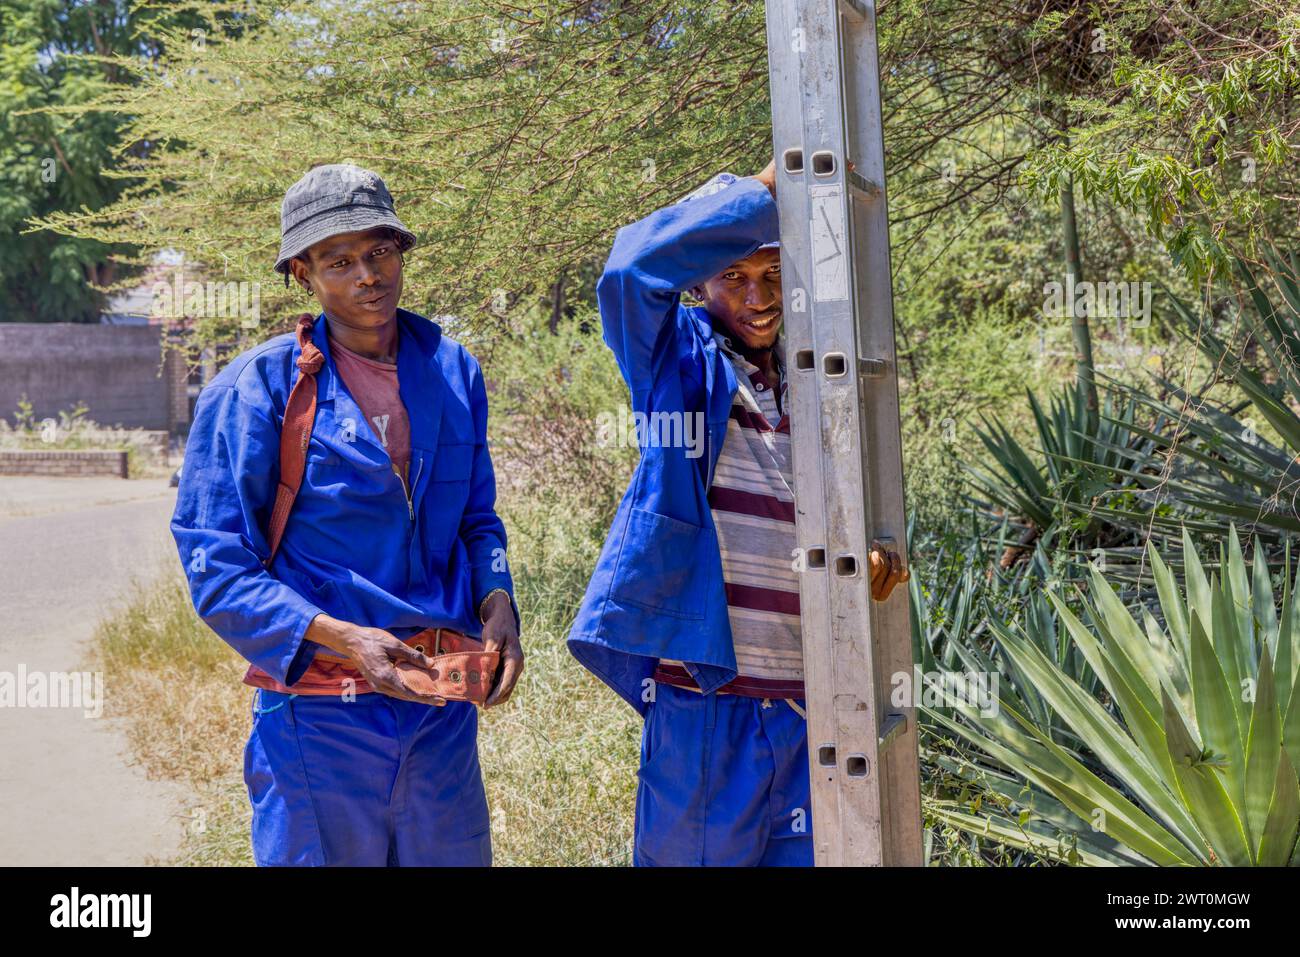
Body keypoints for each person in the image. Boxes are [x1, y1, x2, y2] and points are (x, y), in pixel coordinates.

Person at [171, 163, 523, 866]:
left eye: (381, 251)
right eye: (339, 261)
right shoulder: (253, 392)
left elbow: (477, 519)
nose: (368, 274)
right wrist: (344, 636)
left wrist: (499, 599)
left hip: (439, 718)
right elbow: (216, 569)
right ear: (302, 273)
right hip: (318, 719)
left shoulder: (455, 373)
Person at [568, 161, 907, 866]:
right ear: (701, 283)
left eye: (774, 276)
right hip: (705, 698)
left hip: (807, 701)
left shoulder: (818, 376)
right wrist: (760, 194)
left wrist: (862, 561)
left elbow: (835, 503)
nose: (758, 296)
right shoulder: (676, 359)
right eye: (735, 277)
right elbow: (629, 271)